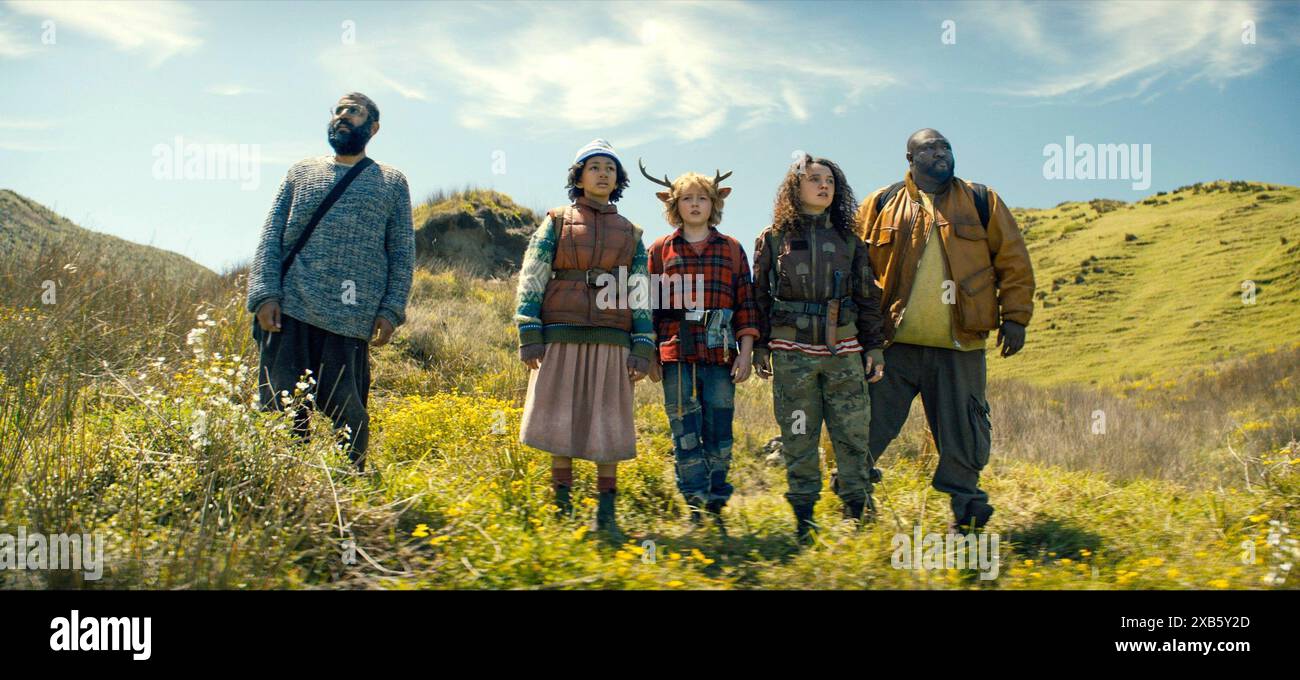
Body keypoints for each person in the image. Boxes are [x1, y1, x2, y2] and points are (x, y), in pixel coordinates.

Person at [855, 128, 1036, 533]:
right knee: (865, 426)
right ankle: (854, 499)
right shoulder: (881, 203)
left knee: (965, 430)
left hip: (960, 344)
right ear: (910, 158)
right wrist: (853, 331)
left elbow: (1014, 260)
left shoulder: (981, 200)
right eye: (930, 148)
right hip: (892, 345)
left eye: (946, 146)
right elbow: (856, 267)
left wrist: (1016, 317)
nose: (941, 153)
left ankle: (968, 510)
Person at [247, 92, 414, 472]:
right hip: (289, 312)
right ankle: (281, 485)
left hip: (350, 319)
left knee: (349, 416)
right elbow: (272, 235)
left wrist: (390, 310)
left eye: (353, 112)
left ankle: (348, 489)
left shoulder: (391, 182)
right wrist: (264, 294)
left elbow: (402, 252)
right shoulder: (300, 172)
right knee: (279, 410)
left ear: (372, 128)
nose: (342, 117)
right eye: (338, 111)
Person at [513, 139, 654, 539]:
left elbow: (640, 291)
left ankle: (606, 514)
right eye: (594, 167)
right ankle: (562, 506)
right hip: (561, 332)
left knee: (608, 422)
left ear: (618, 179)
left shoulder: (631, 233)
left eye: (610, 168)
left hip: (613, 339)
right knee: (561, 420)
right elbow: (533, 274)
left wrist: (643, 343)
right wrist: (529, 329)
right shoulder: (556, 221)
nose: (603, 174)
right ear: (579, 175)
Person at [752, 154, 886, 545]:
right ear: (796, 188)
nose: (823, 186)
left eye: (829, 180)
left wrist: (873, 347)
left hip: (843, 353)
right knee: (798, 435)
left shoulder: (849, 240)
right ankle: (804, 520)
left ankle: (856, 512)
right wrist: (760, 344)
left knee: (852, 435)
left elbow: (867, 296)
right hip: (792, 356)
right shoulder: (773, 238)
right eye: (814, 179)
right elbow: (758, 294)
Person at [642, 161, 759, 534]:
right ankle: (694, 505)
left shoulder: (732, 249)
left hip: (721, 353)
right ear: (673, 203)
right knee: (684, 430)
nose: (695, 204)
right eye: (687, 198)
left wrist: (746, 351)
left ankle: (716, 506)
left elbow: (746, 304)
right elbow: (648, 307)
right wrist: (649, 353)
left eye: (702, 198)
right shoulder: (660, 250)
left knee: (719, 429)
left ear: (715, 202)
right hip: (676, 352)